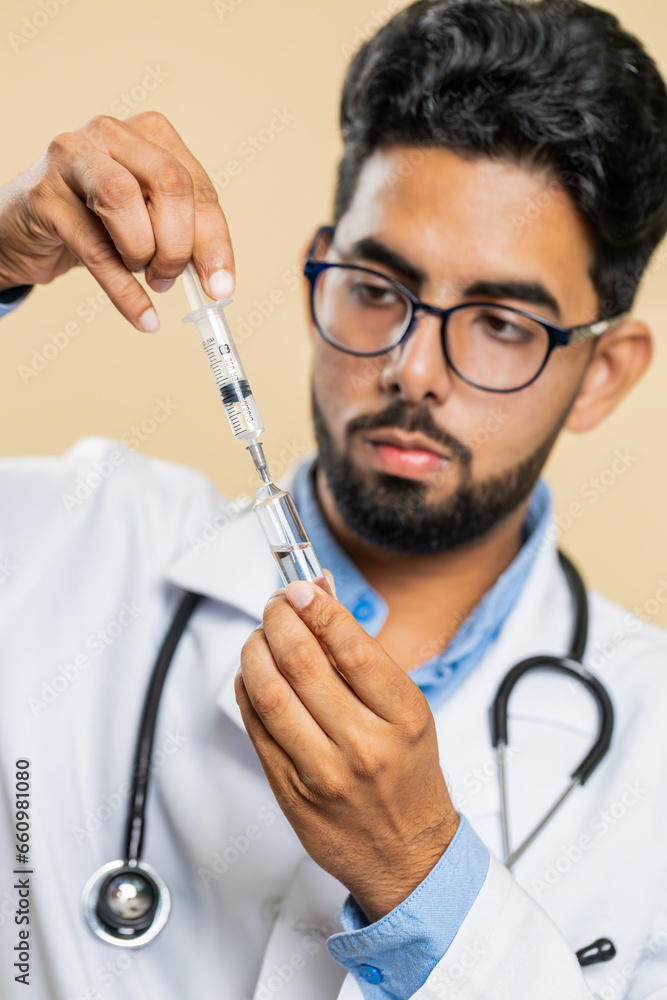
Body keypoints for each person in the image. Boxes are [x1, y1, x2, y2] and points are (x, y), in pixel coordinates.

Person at [1, 0, 667, 997]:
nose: (410, 369)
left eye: (497, 321)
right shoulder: (75, 539)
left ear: (604, 372)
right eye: (374, 284)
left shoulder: (650, 742)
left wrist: (420, 875)